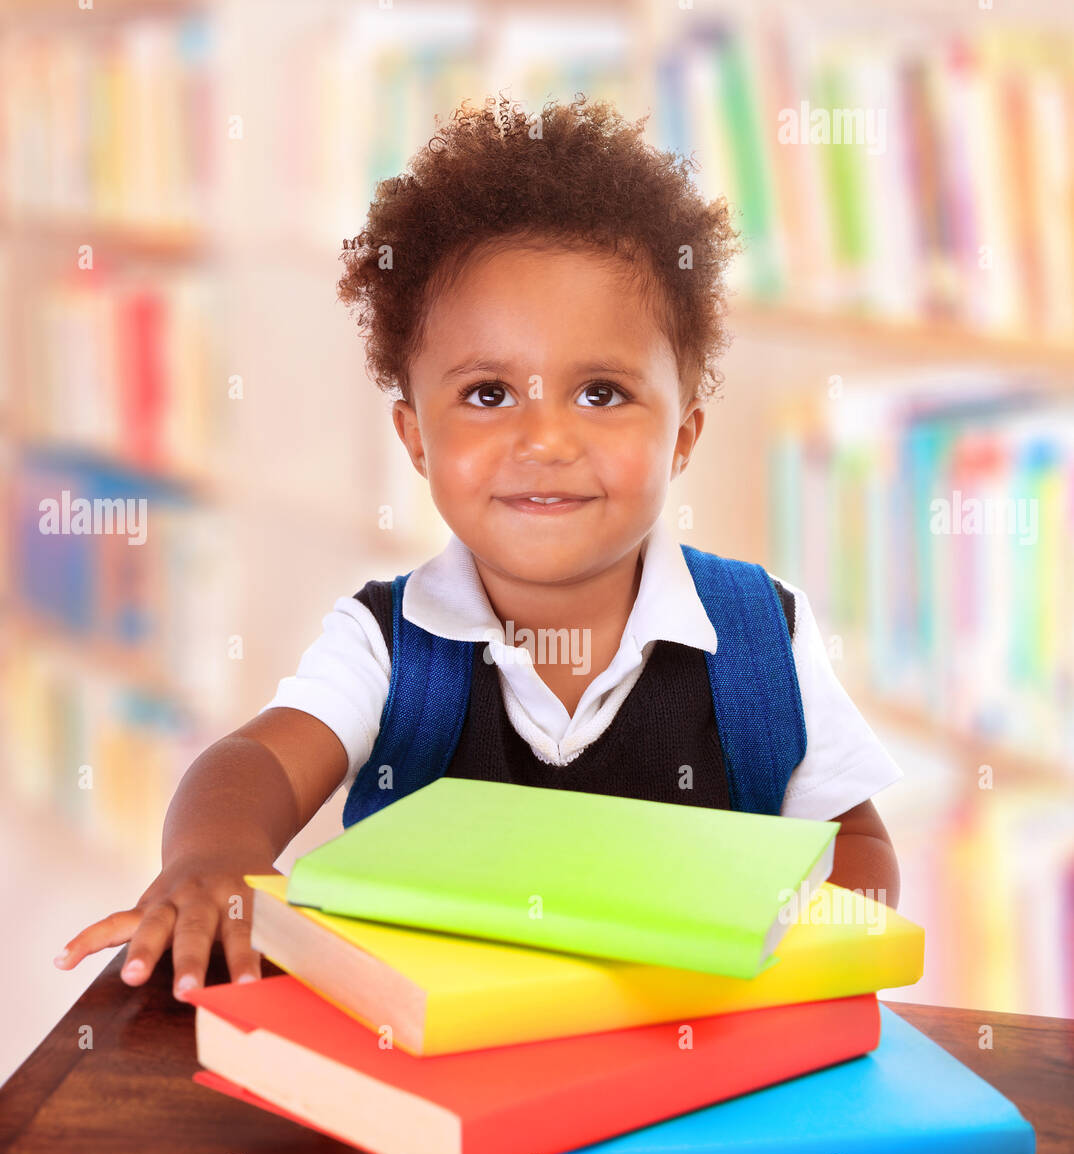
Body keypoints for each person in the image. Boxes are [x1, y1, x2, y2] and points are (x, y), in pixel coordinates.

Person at [56, 95, 901, 999]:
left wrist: (800, 964)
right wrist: (215, 856)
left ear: (682, 435)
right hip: (436, 1080)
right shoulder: (387, 644)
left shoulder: (762, 636)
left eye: (603, 393)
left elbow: (859, 846)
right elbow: (255, 763)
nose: (545, 440)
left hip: (695, 1079)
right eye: (490, 394)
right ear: (415, 439)